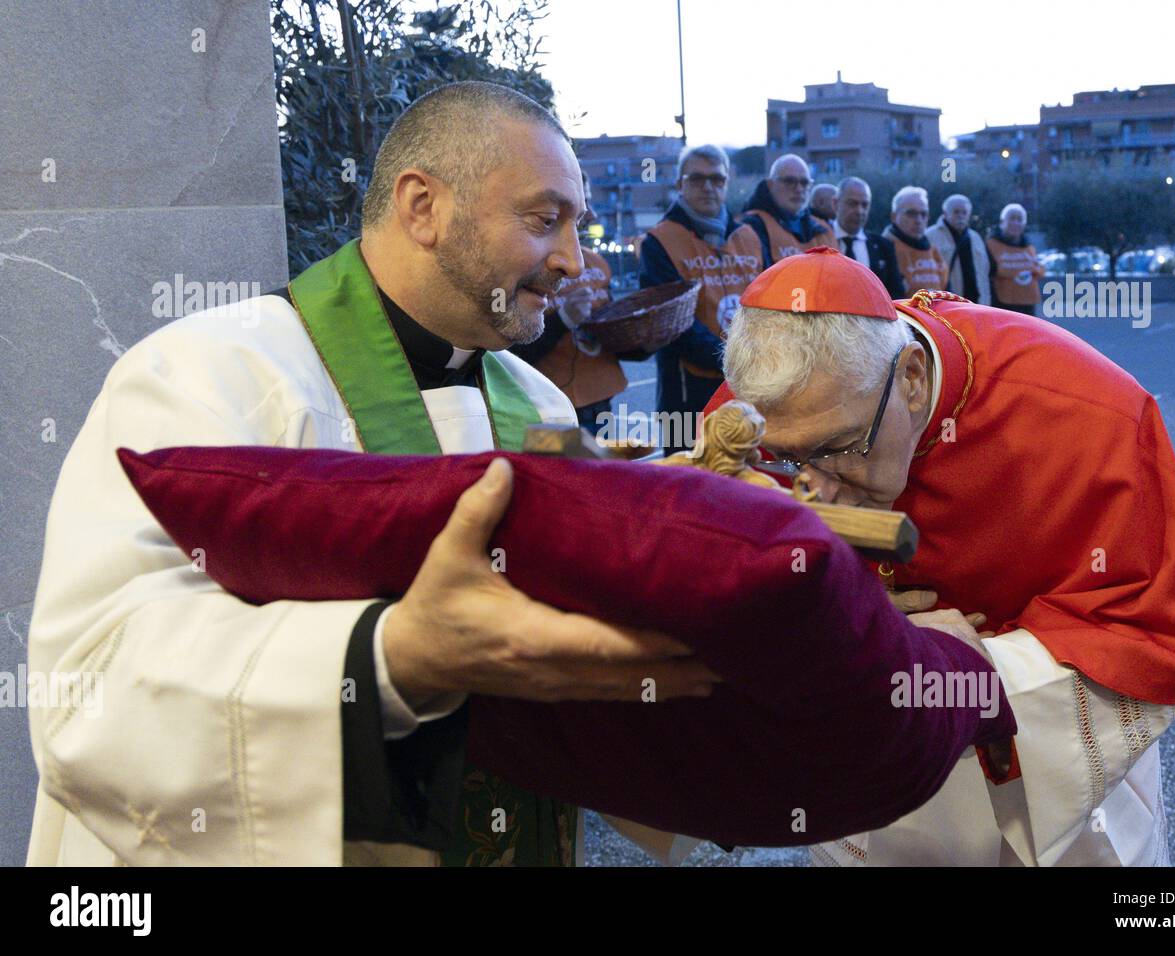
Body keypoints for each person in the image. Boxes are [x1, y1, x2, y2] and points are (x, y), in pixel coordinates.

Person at [25, 81, 721, 867]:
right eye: (543, 219)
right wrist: (395, 655)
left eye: (577, 225)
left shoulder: (538, 405)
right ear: (422, 207)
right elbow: (96, 685)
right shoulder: (208, 374)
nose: (574, 259)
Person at [702, 247, 1175, 866]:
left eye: (840, 448)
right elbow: (729, 596)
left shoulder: (1081, 409)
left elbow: (1154, 629)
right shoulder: (758, 414)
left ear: (913, 378)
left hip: (1047, 778)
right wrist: (843, 625)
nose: (815, 489)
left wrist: (960, 668)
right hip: (869, 776)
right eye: (789, 460)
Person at [639, 144, 763, 455]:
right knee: (690, 486)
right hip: (686, 395)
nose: (707, 187)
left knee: (749, 481)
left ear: (726, 184)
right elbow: (672, 323)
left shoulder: (748, 236)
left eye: (716, 179)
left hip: (746, 388)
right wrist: (734, 358)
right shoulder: (659, 241)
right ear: (680, 184)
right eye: (696, 179)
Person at [512, 171, 627, 433]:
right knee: (556, 475)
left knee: (602, 475)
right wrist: (563, 319)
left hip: (601, 402)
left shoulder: (597, 263)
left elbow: (611, 335)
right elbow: (509, 353)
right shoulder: (524, 265)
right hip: (545, 412)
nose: (593, 217)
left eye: (585, 208)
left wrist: (647, 343)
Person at [740, 153, 836, 268]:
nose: (799, 189)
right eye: (789, 181)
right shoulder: (752, 227)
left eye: (804, 183)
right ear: (770, 185)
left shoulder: (824, 229)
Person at [833, 176, 905, 298]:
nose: (859, 211)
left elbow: (896, 295)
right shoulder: (819, 240)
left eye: (864, 205)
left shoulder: (884, 247)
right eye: (852, 203)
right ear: (835, 204)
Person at [926, 194, 990, 304]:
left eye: (964, 212)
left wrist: (987, 301)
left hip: (977, 304)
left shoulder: (975, 238)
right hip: (945, 304)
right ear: (945, 213)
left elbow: (984, 274)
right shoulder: (930, 236)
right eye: (956, 212)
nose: (960, 216)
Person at [884, 186, 948, 295]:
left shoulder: (933, 251)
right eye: (911, 214)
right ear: (894, 216)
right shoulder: (883, 250)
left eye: (923, 214)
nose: (918, 220)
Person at [986, 203, 1045, 315]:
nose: (1015, 223)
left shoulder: (1028, 247)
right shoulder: (991, 245)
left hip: (1028, 304)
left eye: (1019, 219)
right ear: (1002, 222)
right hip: (1002, 304)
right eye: (1012, 219)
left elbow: (1037, 269)